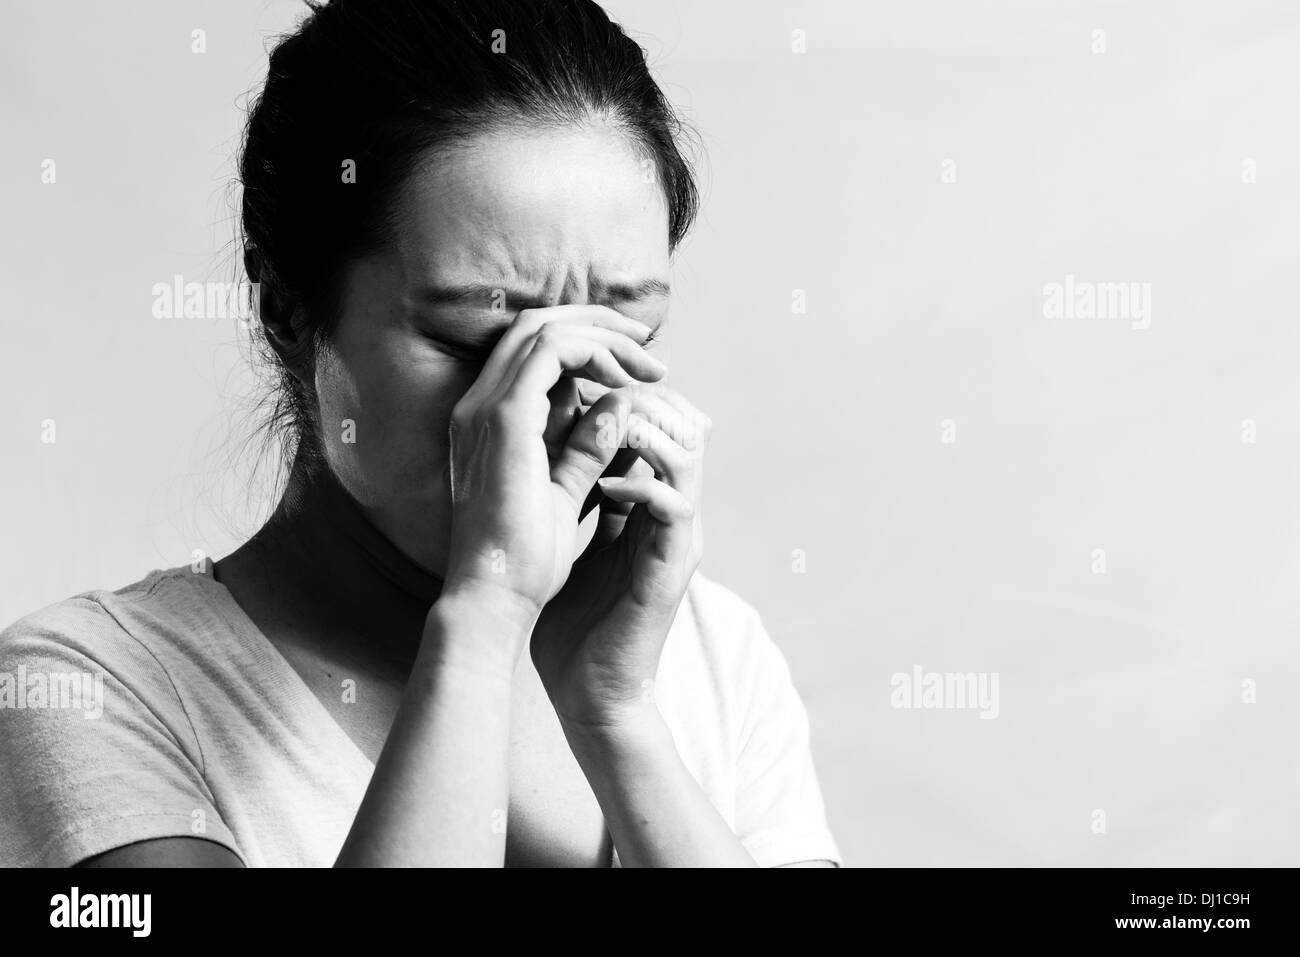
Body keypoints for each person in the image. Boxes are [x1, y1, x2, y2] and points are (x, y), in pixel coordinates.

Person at [0, 0, 840, 867]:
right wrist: (484, 618)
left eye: (623, 335)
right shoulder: (91, 688)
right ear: (286, 307)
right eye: (474, 342)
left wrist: (616, 713)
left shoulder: (708, 653)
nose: (550, 400)